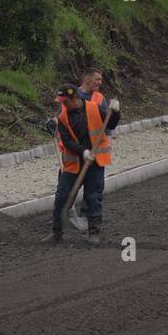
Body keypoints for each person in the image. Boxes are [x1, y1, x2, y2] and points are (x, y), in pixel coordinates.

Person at [44, 84, 121, 245]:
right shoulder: (63, 117)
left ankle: (93, 233)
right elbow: (67, 141)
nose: (63, 105)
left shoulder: (94, 108)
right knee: (62, 196)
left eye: (65, 101)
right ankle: (56, 233)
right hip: (73, 163)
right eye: (61, 102)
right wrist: (83, 152)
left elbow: (111, 124)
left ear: (75, 98)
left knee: (93, 196)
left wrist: (116, 112)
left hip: (95, 163)